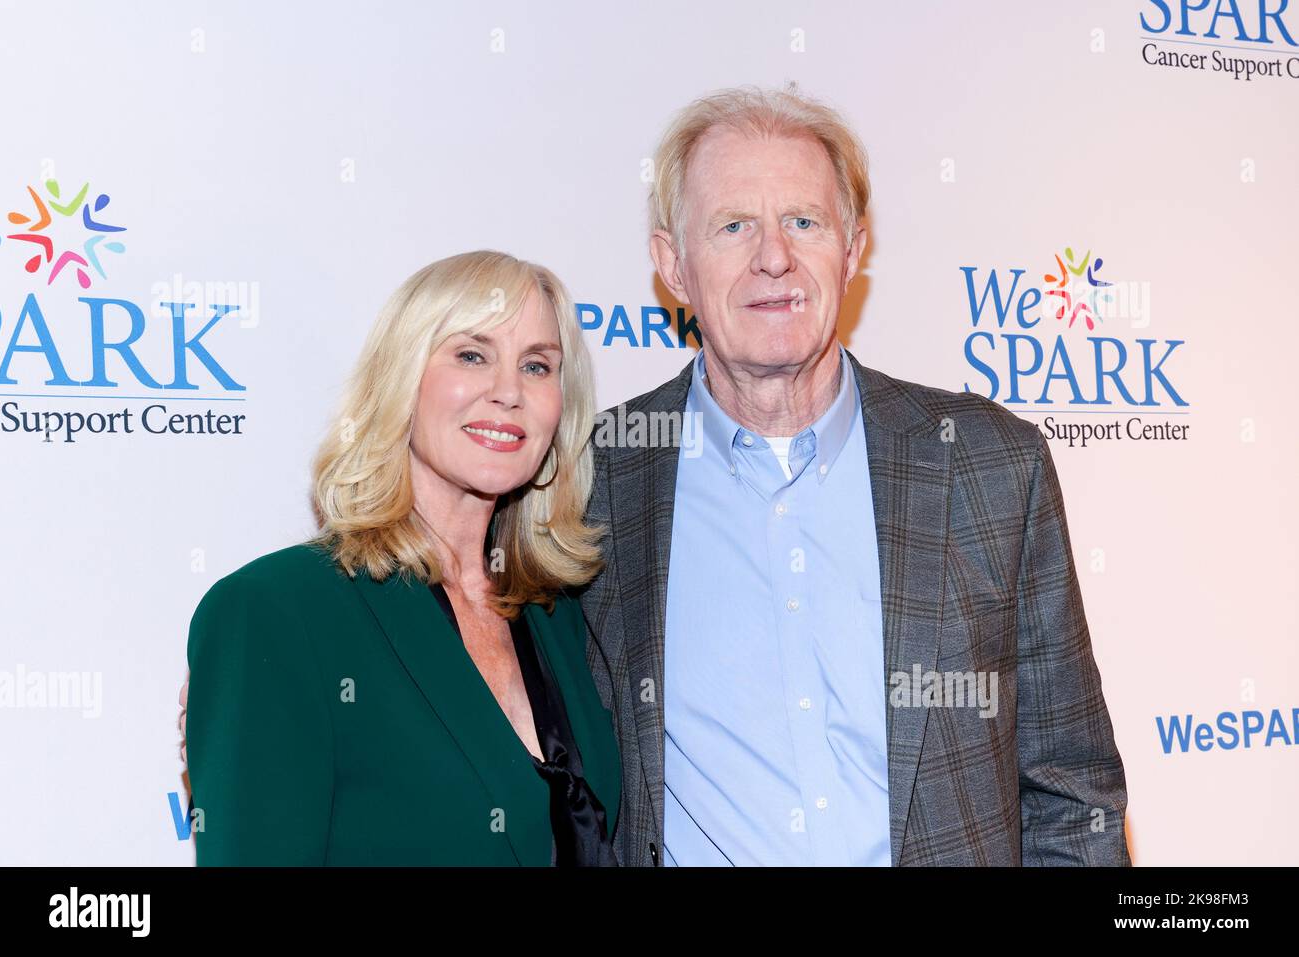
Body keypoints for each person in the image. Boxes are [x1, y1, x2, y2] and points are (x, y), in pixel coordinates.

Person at [578, 85, 1132, 866]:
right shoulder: (595, 480)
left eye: (804, 221)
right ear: (673, 266)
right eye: (733, 225)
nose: (775, 256)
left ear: (853, 247)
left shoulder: (992, 466)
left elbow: (1074, 796)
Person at [182, 250, 620, 865]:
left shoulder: (557, 614)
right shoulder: (276, 611)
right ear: (401, 380)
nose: (509, 392)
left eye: (537, 365)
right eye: (472, 355)